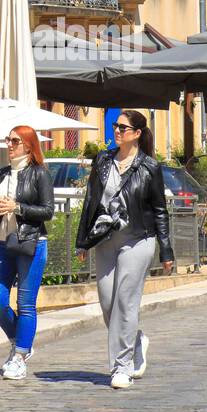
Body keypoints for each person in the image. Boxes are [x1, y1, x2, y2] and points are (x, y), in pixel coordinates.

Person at [75, 109, 174, 389]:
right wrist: (82, 241)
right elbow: (91, 201)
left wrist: (166, 250)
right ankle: (136, 340)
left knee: (125, 301)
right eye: (115, 126)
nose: (117, 131)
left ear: (138, 134)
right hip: (106, 239)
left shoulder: (149, 168)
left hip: (138, 239)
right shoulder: (103, 161)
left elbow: (159, 210)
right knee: (108, 303)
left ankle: (122, 367)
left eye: (123, 127)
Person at [0, 126, 55, 382]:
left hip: (31, 243)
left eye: (15, 140)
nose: (10, 144)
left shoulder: (39, 174)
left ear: (28, 145)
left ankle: (19, 356)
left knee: (25, 304)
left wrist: (18, 207)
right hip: (3, 243)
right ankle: (21, 341)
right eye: (8, 140)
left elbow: (48, 211)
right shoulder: (2, 173)